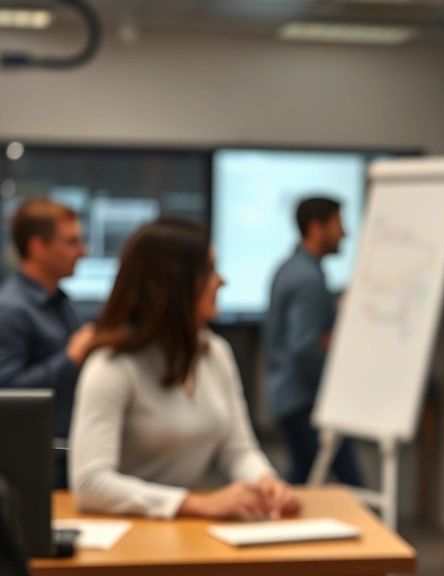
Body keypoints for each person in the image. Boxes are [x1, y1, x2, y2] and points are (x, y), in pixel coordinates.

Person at [69, 219, 299, 520]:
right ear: (175, 283)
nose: (222, 281)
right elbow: (90, 484)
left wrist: (267, 484)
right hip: (127, 538)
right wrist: (194, 504)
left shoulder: (214, 353)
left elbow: (237, 449)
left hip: (185, 530)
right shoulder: (112, 365)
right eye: (210, 270)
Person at [265, 196, 362, 486]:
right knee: (350, 483)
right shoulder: (308, 279)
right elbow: (305, 347)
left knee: (304, 481)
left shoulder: (290, 268)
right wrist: (333, 393)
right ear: (316, 228)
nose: (344, 233)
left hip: (290, 397)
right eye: (338, 224)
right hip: (306, 401)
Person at [0, 199, 92, 489]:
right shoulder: (11, 309)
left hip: (63, 460)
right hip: (33, 471)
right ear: (38, 246)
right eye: (72, 242)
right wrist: (71, 357)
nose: (83, 252)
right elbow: (8, 395)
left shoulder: (60, 303)